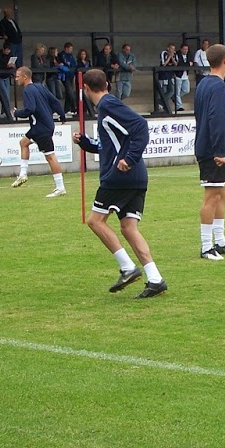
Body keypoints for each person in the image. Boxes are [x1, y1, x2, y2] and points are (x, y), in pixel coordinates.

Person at [75, 68, 166, 299]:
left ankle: (127, 267)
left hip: (119, 176)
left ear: (86, 88)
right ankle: (155, 279)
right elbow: (110, 145)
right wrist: (85, 143)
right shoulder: (106, 107)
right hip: (136, 177)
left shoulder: (107, 105)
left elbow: (140, 126)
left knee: (95, 221)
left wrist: (130, 158)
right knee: (128, 227)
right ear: (107, 83)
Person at [193, 43, 225, 260]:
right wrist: (219, 150)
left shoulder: (203, 84)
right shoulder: (218, 87)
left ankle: (219, 240)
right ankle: (206, 246)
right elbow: (215, 119)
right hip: (211, 151)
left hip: (213, 146)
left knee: (223, 190)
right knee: (211, 196)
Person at [12, 65, 69, 197]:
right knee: (23, 143)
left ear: (25, 77)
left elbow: (30, 109)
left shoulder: (27, 91)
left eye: (17, 76)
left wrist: (17, 113)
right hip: (45, 125)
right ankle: (23, 174)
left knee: (50, 156)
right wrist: (62, 115)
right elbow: (54, 101)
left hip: (41, 127)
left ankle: (60, 187)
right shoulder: (40, 87)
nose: (16, 79)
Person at [0, 7, 21, 120]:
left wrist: (13, 66)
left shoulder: (10, 54)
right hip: (0, 76)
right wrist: (7, 66)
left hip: (6, 76)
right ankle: (6, 114)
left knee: (7, 95)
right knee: (4, 95)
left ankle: (4, 112)